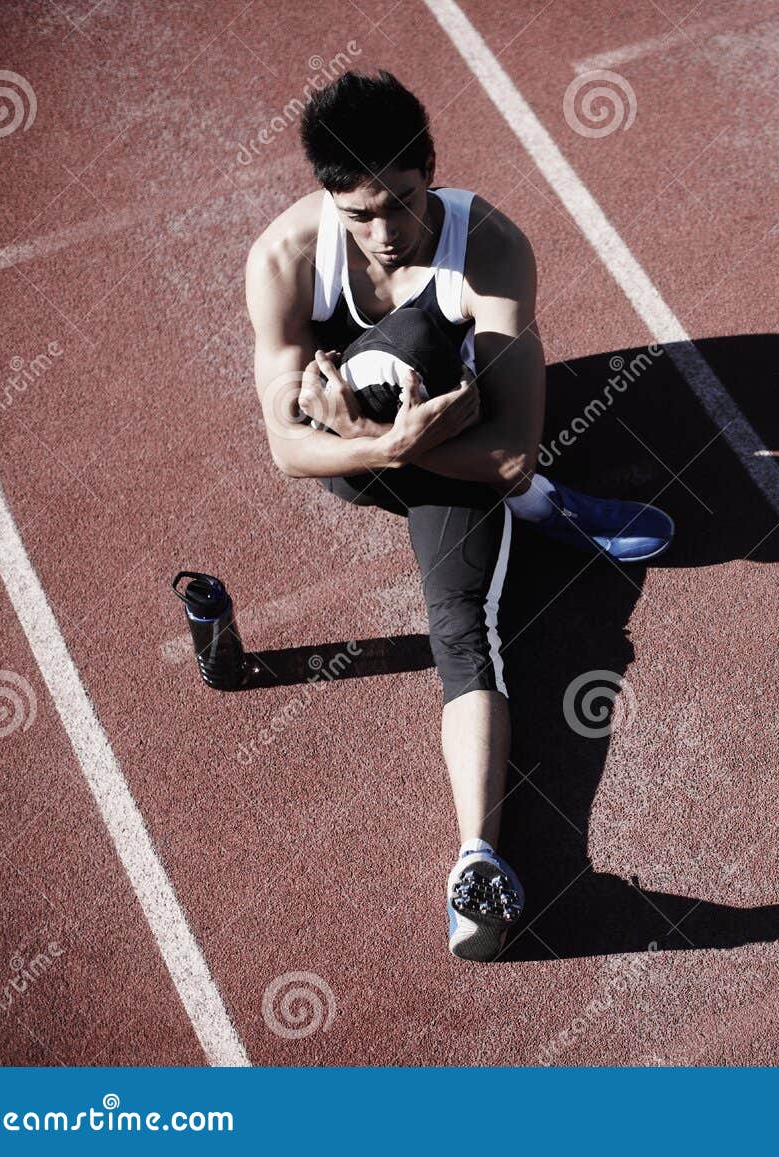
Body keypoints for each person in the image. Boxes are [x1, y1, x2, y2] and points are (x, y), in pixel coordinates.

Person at [243, 69, 672, 961]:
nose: (385, 231)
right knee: (398, 442)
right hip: (380, 453)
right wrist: (384, 448)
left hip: (462, 438)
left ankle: (477, 858)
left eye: (402, 201)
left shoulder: (493, 247)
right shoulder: (283, 260)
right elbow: (289, 452)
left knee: (463, 628)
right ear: (325, 193)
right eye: (358, 211)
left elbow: (513, 445)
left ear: (431, 169)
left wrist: (397, 436)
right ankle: (542, 509)